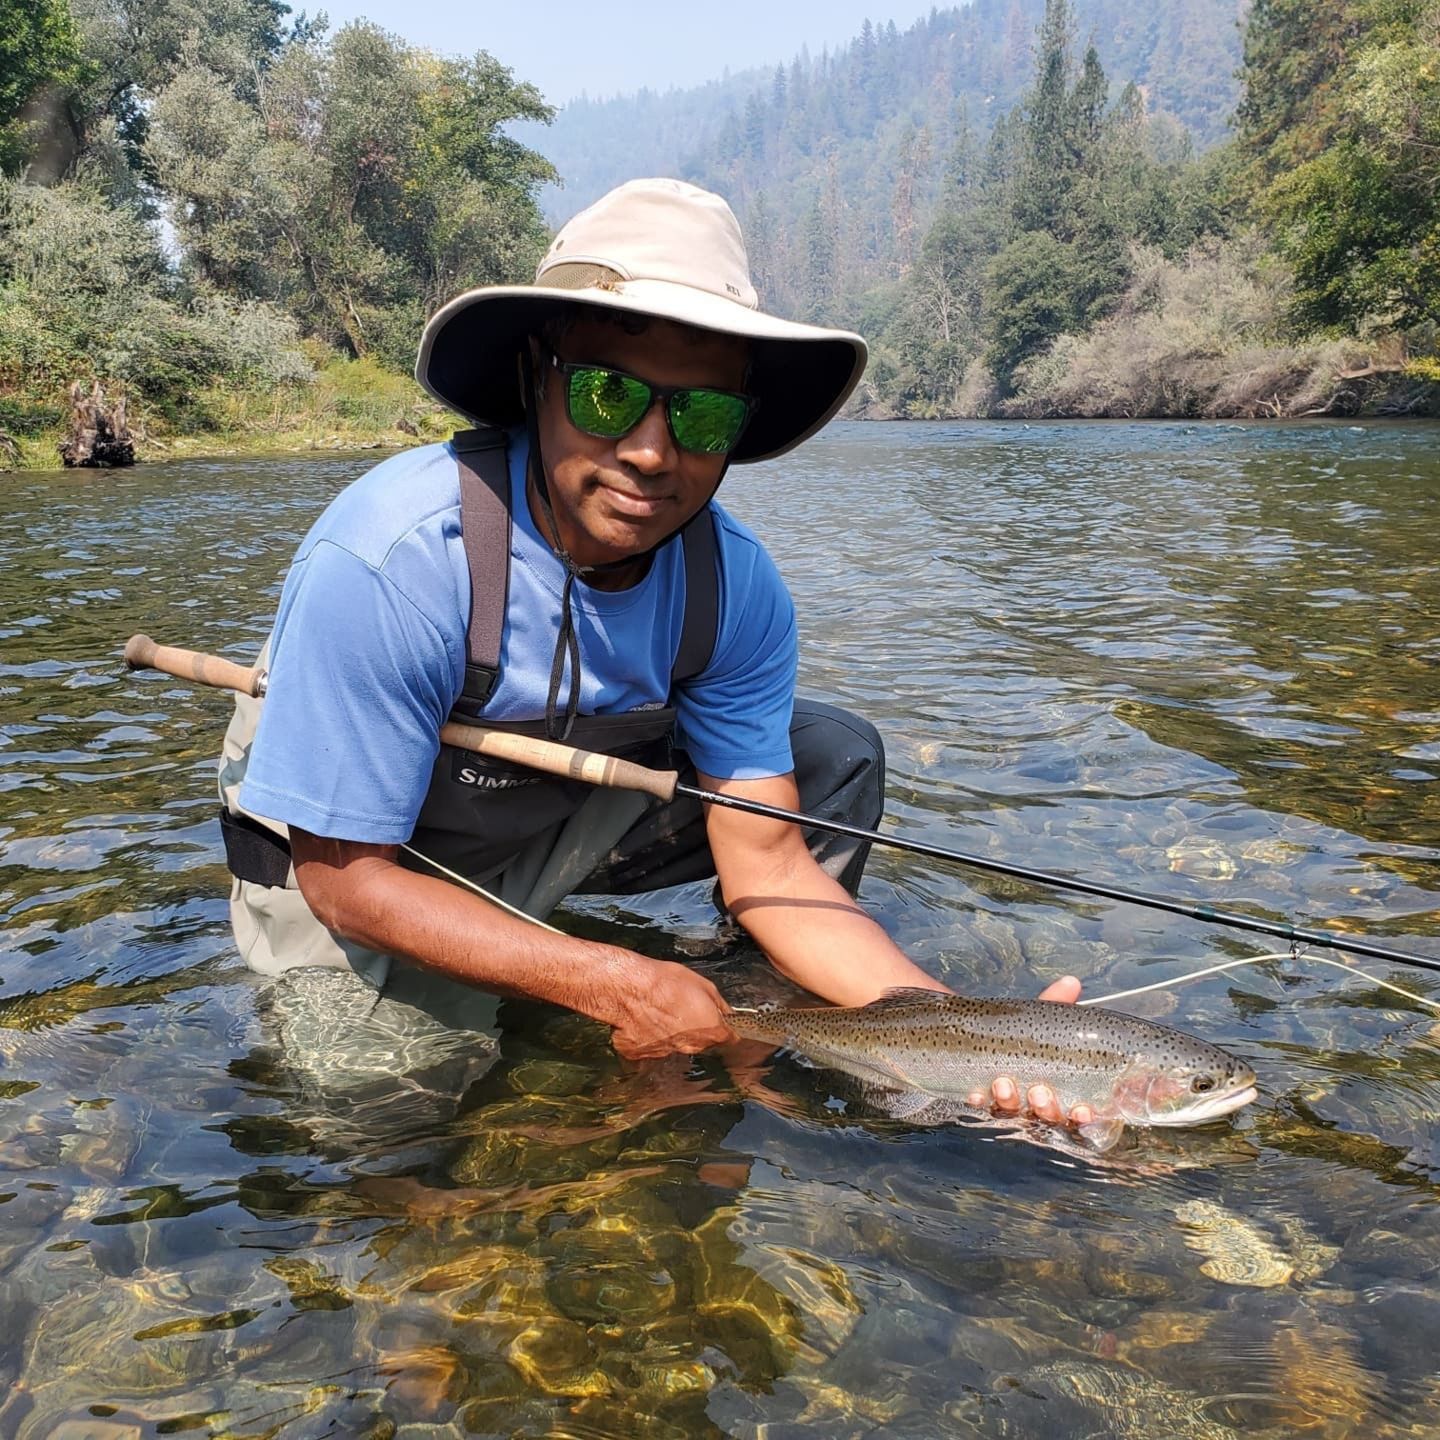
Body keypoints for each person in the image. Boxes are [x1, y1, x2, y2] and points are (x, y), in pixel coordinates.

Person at [217, 178, 1087, 1126]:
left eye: (703, 415)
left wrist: (963, 1035)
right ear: (536, 380)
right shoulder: (395, 561)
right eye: (609, 394)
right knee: (380, 1118)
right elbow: (347, 883)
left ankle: (756, 1012)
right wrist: (606, 979)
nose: (651, 452)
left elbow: (770, 863)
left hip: (549, 819)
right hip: (356, 852)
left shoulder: (736, 587)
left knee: (832, 757)